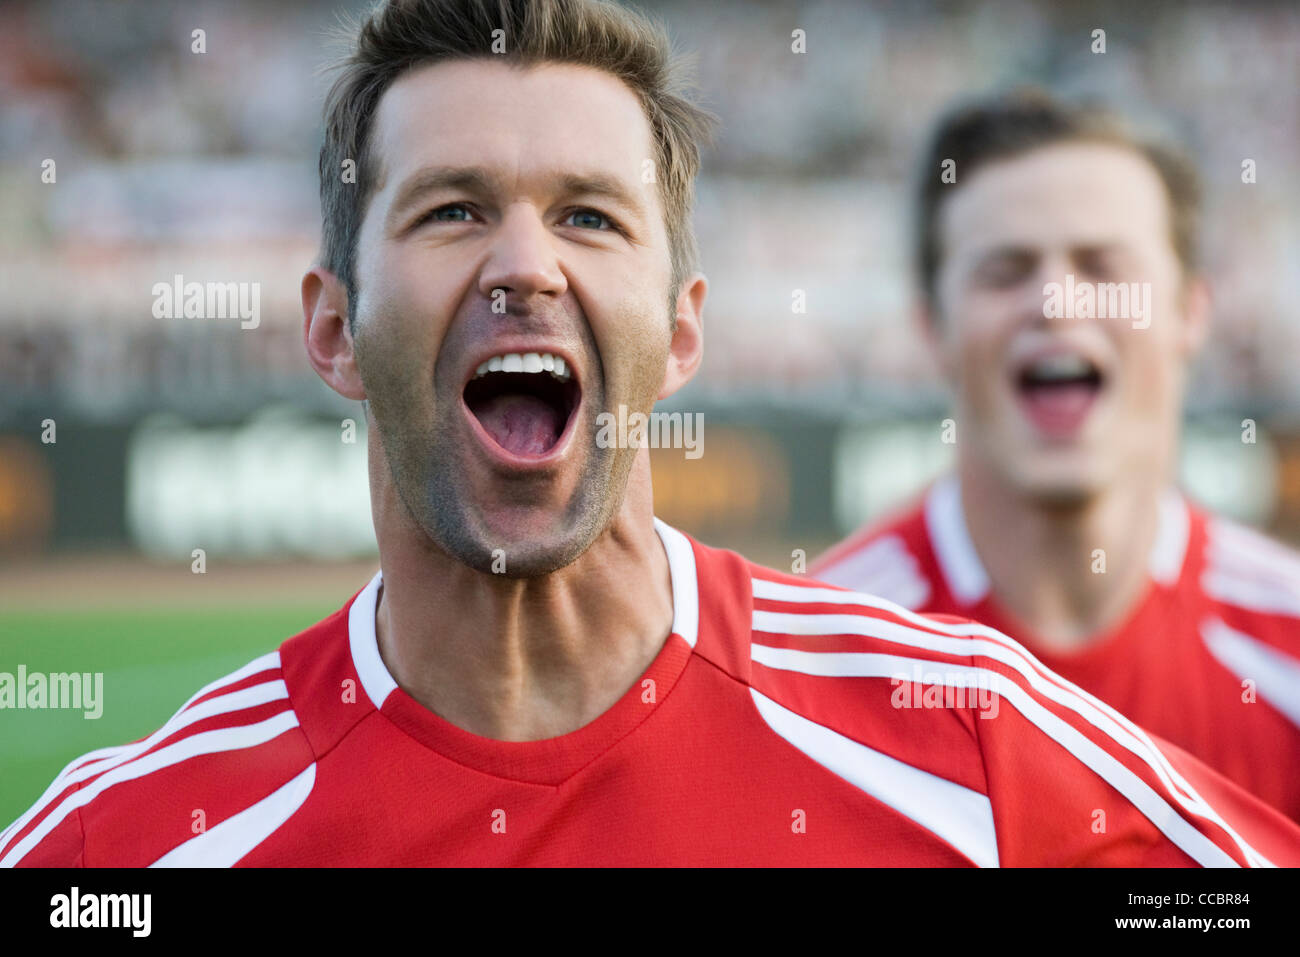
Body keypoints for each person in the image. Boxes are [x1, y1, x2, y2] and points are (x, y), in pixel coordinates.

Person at [5, 2, 1299, 867]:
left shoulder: (971, 747)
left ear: (682, 333)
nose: (524, 266)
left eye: (589, 217)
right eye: (453, 210)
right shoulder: (125, 848)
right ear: (333, 329)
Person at [813, 89, 1300, 823]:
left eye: (1103, 266)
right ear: (931, 326)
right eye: (1005, 271)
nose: (1056, 302)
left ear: (1190, 311)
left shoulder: (1288, 652)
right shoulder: (813, 665)